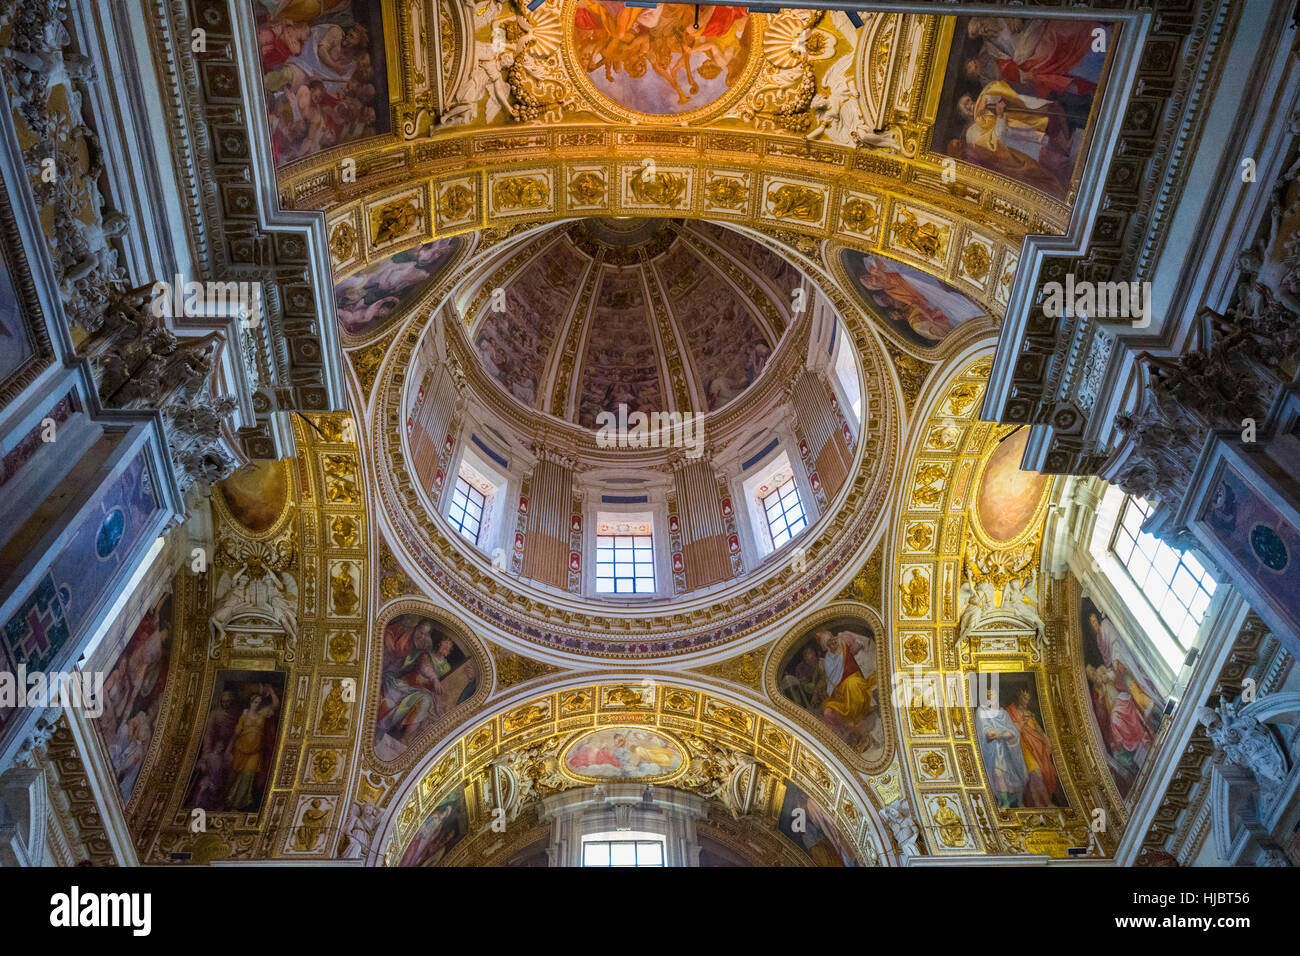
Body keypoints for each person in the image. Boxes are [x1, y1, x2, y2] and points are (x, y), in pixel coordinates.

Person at [1005, 688, 1059, 806]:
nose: (1026, 701)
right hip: (1021, 747)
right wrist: (1022, 722)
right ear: (1019, 696)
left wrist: (1047, 739)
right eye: (1024, 697)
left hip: (1036, 747)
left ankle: (1040, 804)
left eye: (1028, 699)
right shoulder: (1011, 711)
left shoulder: (1030, 714)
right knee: (1035, 774)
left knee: (1040, 774)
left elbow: (1037, 728)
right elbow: (1011, 729)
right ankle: (1045, 804)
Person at [976, 692, 1028, 807]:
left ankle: (1019, 802)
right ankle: (1005, 802)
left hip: (1008, 750)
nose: (990, 697)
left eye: (992, 695)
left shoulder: (1003, 713)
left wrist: (1002, 735)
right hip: (993, 750)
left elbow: (1013, 732)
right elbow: (986, 730)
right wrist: (998, 734)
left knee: (1014, 774)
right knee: (998, 773)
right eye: (988, 695)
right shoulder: (982, 711)